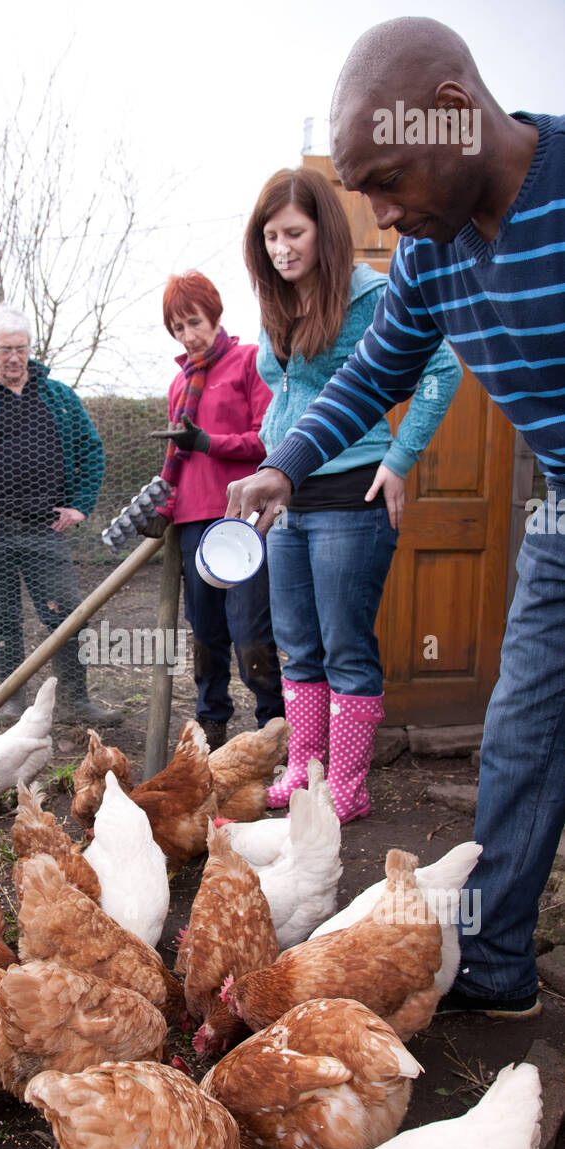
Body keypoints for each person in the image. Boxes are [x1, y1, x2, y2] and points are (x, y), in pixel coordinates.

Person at [227, 16, 564, 1018]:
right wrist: (282, 465)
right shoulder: (429, 254)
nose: (374, 210)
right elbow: (372, 370)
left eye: (386, 179)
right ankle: (495, 961)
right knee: (520, 732)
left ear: (456, 118)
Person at [243, 168, 461, 821]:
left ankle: (348, 786)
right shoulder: (277, 303)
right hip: (289, 500)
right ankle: (307, 773)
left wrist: (399, 459)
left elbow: (441, 368)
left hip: (349, 495)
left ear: (323, 232)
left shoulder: (367, 294)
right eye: (271, 235)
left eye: (295, 233)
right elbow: (285, 397)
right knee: (298, 645)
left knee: (345, 648)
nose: (282, 248)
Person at [0, 304, 119, 727]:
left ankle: (74, 700)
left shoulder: (59, 397)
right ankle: (11, 700)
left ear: (30, 348)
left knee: (67, 613)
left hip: (44, 529)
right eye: (5, 350)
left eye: (21, 348)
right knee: (0, 617)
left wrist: (80, 505)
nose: (14, 357)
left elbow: (91, 450)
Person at [149, 272, 284, 750]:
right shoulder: (177, 385)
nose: (189, 335)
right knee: (205, 635)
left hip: (241, 518)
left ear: (215, 315)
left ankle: (275, 724)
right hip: (192, 522)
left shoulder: (249, 361)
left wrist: (207, 442)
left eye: (195, 322)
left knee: (249, 631)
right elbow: (178, 463)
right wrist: (163, 503)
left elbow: (270, 438)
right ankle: (214, 725)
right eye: (178, 328)